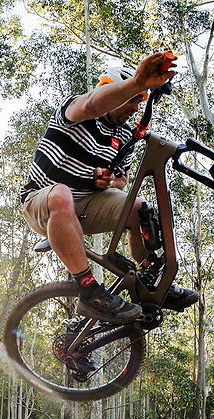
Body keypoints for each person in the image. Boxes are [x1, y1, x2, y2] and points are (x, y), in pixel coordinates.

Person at [21, 51, 199, 324]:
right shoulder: (75, 109)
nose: (134, 108)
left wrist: (110, 180)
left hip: (87, 203)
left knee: (139, 208)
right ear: (110, 91)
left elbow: (122, 178)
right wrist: (139, 82)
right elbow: (92, 104)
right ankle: (90, 290)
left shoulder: (124, 133)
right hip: (41, 202)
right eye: (130, 100)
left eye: (139, 103)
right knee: (61, 193)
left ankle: (149, 280)